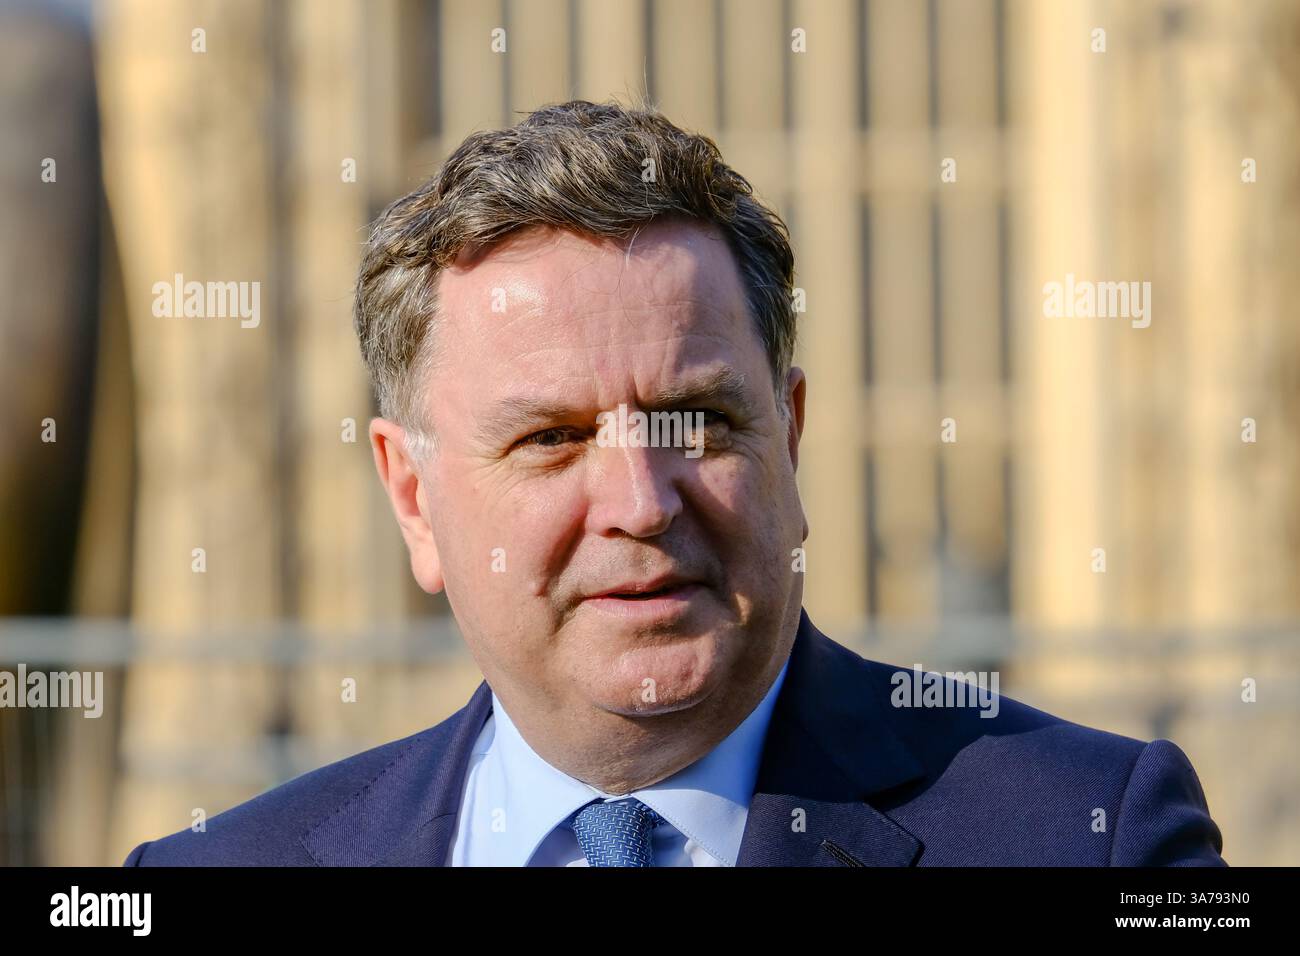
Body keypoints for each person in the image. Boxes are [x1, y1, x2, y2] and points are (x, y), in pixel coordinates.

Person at [124, 100, 1225, 867]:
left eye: (695, 420)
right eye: (552, 437)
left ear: (787, 441)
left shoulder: (1088, 832)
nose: (641, 503)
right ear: (412, 496)